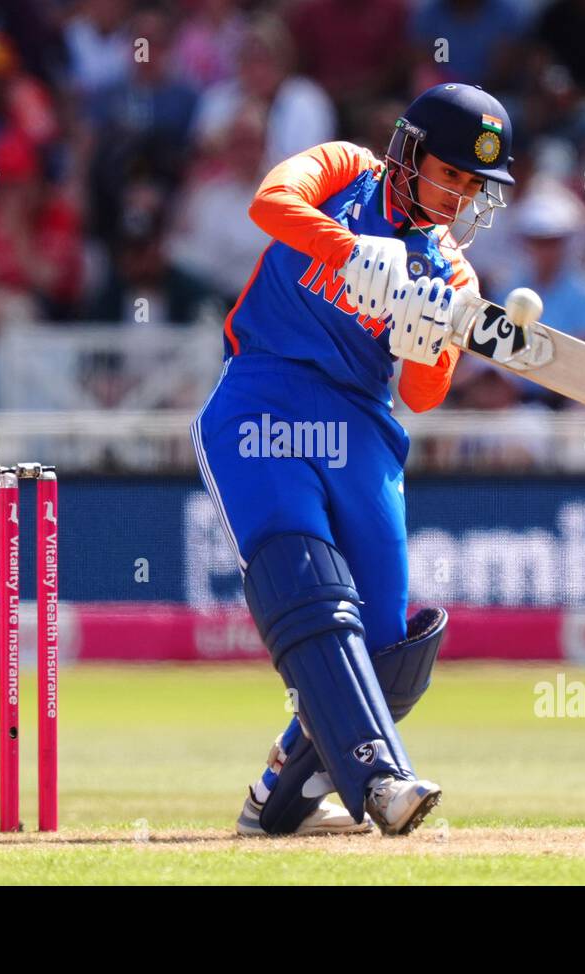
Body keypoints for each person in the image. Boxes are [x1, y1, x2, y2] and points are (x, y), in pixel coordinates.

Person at [192, 83, 515, 836]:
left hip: (364, 426)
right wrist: (350, 251)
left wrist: (429, 334)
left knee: (390, 649)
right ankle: (380, 780)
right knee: (306, 582)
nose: (460, 198)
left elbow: (427, 393)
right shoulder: (346, 170)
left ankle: (281, 797)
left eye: (473, 187)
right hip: (264, 398)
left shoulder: (454, 273)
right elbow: (270, 203)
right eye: (452, 174)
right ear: (409, 151)